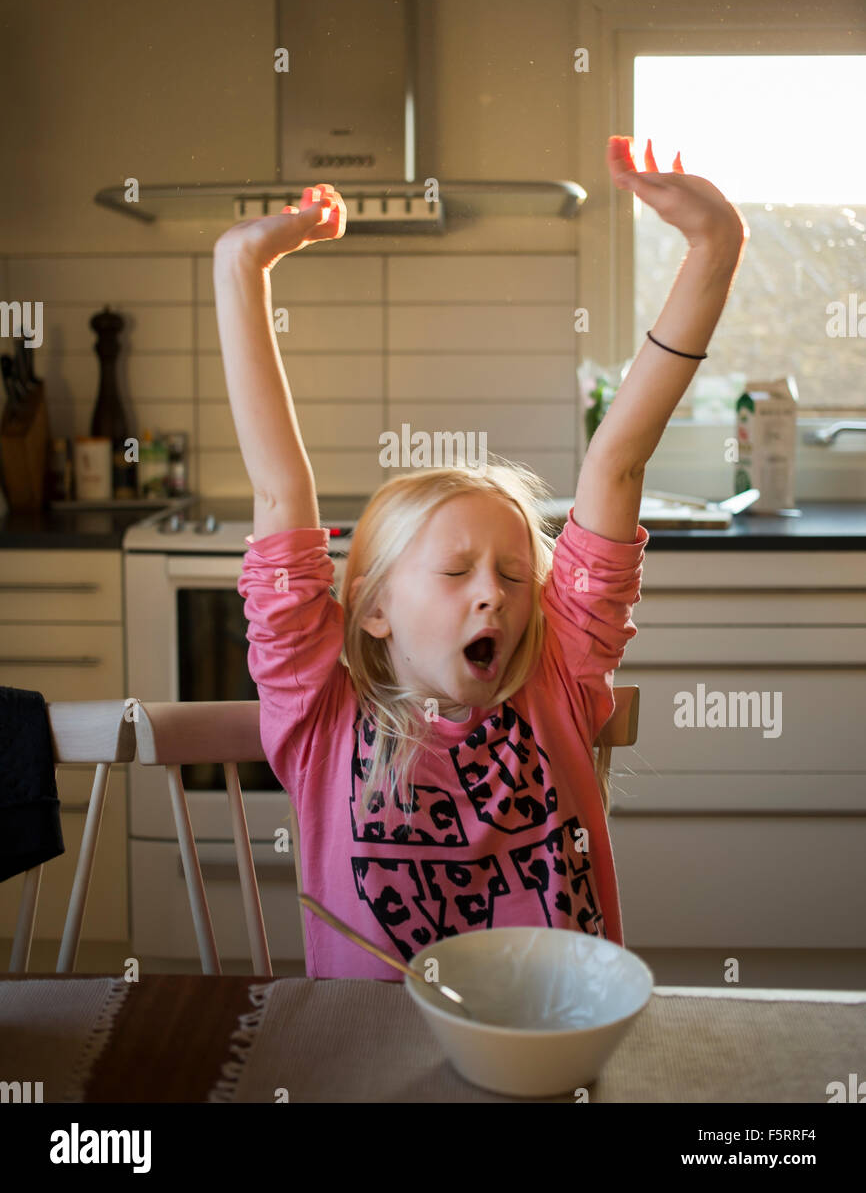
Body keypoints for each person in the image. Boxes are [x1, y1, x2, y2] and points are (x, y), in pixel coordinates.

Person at [213, 136, 747, 979]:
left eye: (511, 574)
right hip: (367, 1061)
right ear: (374, 608)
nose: (492, 597)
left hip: (552, 1045)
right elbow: (282, 495)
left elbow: (616, 463)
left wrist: (716, 247)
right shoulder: (323, 715)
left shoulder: (557, 680)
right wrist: (241, 268)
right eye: (456, 573)